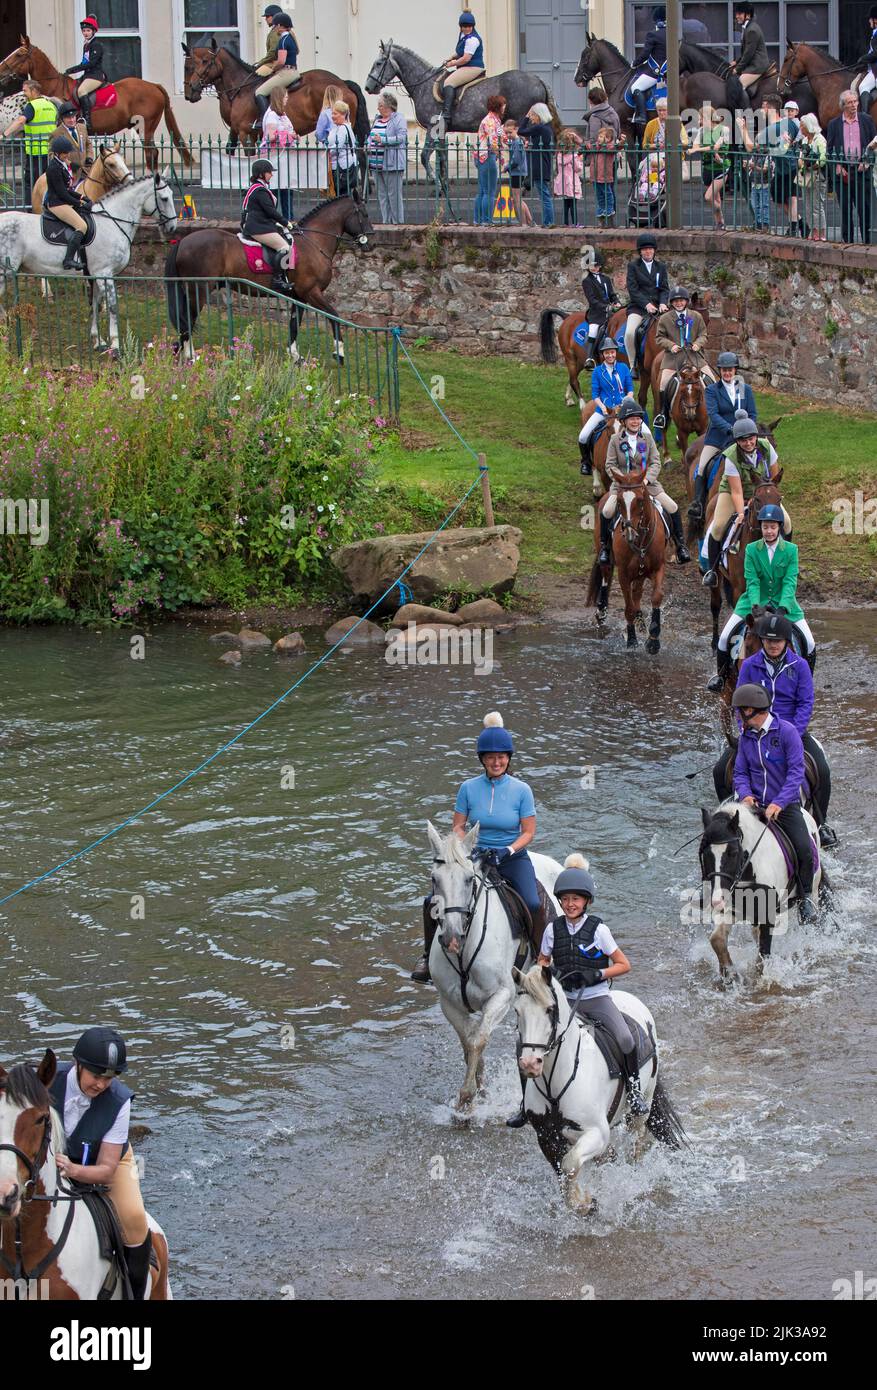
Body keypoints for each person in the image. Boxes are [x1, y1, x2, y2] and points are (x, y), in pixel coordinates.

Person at [411, 712, 549, 985]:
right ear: (482, 759)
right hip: (475, 855)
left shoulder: (522, 790)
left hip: (511, 856)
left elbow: (529, 831)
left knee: (533, 903)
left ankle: (541, 958)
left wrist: (508, 850)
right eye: (490, 757)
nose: (496, 762)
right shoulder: (468, 788)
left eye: (501, 757)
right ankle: (428, 956)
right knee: (432, 901)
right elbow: (459, 827)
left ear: (508, 758)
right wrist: (464, 847)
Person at [535, 858, 649, 1118]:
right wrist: (548, 971)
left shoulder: (599, 930)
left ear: (586, 901)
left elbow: (624, 964)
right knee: (530, 1041)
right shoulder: (552, 929)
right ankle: (525, 1104)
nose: (570, 904)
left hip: (595, 998)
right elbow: (543, 959)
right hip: (564, 999)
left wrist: (597, 973)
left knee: (625, 1038)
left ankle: (634, 1090)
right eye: (565, 899)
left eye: (576, 899)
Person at [48, 1027, 153, 1299]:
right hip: (53, 1158)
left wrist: (72, 1170)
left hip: (108, 1162)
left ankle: (135, 1293)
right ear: (78, 1065)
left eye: (110, 1078)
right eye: (96, 1076)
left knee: (134, 1218)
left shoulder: (119, 1101)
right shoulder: (46, 1080)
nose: (102, 1085)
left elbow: (106, 1169)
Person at [736, 611, 836, 845]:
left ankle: (821, 824)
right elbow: (739, 701)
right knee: (721, 770)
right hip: (755, 729)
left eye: (777, 641)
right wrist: (744, 727)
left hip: (792, 730)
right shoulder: (749, 665)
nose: (773, 645)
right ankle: (734, 816)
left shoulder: (799, 666)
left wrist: (794, 733)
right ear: (762, 640)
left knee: (822, 769)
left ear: (786, 642)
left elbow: (805, 703)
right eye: (769, 640)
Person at [731, 683, 818, 923]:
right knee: (724, 841)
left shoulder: (787, 732)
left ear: (752, 711)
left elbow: (796, 772)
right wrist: (746, 795)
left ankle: (806, 898)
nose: (739, 716)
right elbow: (740, 773)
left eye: (741, 711)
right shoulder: (746, 737)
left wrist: (779, 803)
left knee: (803, 849)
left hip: (785, 807)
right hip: (754, 806)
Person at [707, 504, 815, 692]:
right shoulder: (751, 549)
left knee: (810, 642)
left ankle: (806, 683)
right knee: (724, 638)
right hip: (752, 602)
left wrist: (783, 607)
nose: (769, 531)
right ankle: (722, 679)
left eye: (773, 527)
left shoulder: (791, 550)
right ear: (761, 528)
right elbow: (753, 580)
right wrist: (756, 604)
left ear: (779, 527)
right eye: (765, 527)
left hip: (785, 604)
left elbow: (790, 581)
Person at [599, 396, 691, 564]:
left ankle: (680, 546)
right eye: (632, 419)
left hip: (648, 485)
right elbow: (609, 464)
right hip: (622, 486)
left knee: (672, 507)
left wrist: (647, 480)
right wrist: (621, 481)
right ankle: (605, 548)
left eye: (638, 418)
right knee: (606, 511)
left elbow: (656, 462)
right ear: (624, 421)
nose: (635, 421)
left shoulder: (647, 439)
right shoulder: (615, 440)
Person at [701, 412, 787, 591]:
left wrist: (768, 496)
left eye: (751, 439)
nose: (748, 443)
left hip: (762, 491)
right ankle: (712, 571)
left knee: (786, 522)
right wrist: (741, 513)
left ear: (756, 437)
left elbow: (773, 478)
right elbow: (737, 491)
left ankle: (784, 559)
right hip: (732, 492)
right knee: (717, 528)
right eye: (743, 440)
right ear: (737, 441)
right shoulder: (731, 456)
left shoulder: (766, 447)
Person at [689, 351, 757, 520]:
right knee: (703, 466)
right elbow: (713, 414)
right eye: (724, 370)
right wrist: (732, 429)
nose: (727, 373)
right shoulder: (712, 390)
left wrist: (746, 431)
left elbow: (753, 414)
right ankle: (698, 503)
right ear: (720, 371)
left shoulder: (745, 389)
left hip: (744, 437)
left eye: (730, 370)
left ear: (735, 370)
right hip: (718, 438)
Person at [652, 286, 714, 431]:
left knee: (713, 381)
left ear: (686, 301)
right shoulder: (665, 318)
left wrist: (698, 344)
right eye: (676, 301)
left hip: (694, 356)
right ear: (672, 303)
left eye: (681, 301)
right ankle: (662, 415)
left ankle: (714, 414)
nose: (679, 303)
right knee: (663, 384)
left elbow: (703, 334)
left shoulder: (696, 316)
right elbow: (659, 337)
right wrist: (671, 345)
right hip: (673, 358)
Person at [826, 91, 876, 246]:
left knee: (865, 210)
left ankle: (868, 243)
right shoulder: (834, 124)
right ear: (843, 105)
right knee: (846, 211)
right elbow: (829, 151)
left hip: (862, 170)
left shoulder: (866, 120)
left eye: (855, 102)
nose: (854, 105)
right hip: (844, 173)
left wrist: (867, 161)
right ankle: (847, 242)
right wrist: (837, 165)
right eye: (850, 103)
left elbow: (874, 144)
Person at [578, 336, 632, 474]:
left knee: (646, 433)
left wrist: (627, 400)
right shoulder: (597, 371)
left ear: (615, 352)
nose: (610, 355)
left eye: (612, 352)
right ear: (603, 355)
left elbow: (630, 389)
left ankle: (645, 462)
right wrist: (602, 407)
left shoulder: (624, 368)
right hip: (604, 410)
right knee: (583, 436)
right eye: (607, 353)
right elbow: (595, 394)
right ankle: (586, 463)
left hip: (623, 410)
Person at [240, 158, 293, 293]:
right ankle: (277, 280)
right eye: (269, 172)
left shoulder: (257, 188)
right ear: (261, 174)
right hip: (258, 227)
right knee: (285, 248)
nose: (272, 174)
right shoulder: (260, 191)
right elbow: (271, 211)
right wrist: (286, 222)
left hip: (260, 223)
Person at [2, 79, 57, 208]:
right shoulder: (51, 105)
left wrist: (5, 134)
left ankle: (30, 208)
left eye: (25, 91)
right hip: (50, 152)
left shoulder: (32, 106)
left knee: (30, 183)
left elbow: (21, 121)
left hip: (36, 152)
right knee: (49, 182)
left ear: (33, 91)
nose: (24, 94)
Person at [624, 230, 669, 378]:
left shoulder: (661, 267)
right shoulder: (633, 266)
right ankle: (633, 365)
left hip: (658, 308)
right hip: (638, 308)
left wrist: (663, 303)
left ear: (654, 250)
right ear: (640, 251)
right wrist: (646, 304)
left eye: (650, 249)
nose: (648, 251)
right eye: (645, 249)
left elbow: (664, 288)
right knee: (630, 333)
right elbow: (633, 289)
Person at [44, 135, 91, 271]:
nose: (67, 155)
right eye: (65, 153)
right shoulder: (53, 168)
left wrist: (83, 197)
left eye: (67, 152)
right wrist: (79, 203)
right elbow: (62, 193)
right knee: (81, 226)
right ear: (57, 153)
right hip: (56, 203)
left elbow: (68, 189)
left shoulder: (62, 165)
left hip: (62, 200)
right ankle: (68, 260)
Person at [436, 12, 486, 139]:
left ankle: (446, 116)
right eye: (464, 26)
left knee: (448, 82)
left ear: (472, 26)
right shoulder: (463, 35)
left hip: (473, 67)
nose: (467, 29)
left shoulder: (473, 39)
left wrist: (452, 63)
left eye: (469, 26)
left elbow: (465, 58)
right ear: (461, 27)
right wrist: (449, 58)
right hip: (465, 65)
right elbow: (459, 52)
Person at [367, 91, 407, 225]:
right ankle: (386, 222)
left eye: (381, 105)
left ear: (389, 106)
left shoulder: (398, 118)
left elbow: (401, 138)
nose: (378, 108)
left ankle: (397, 223)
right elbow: (371, 136)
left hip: (392, 164)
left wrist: (383, 140)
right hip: (376, 164)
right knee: (382, 196)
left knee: (394, 196)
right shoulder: (377, 119)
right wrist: (368, 144)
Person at [253, 12, 300, 124]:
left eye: (275, 25)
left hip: (287, 72)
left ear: (279, 25)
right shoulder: (290, 37)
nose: (274, 28)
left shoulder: (283, 40)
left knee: (259, 92)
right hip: (292, 71)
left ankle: (264, 120)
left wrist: (273, 67)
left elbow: (281, 61)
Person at [586, 86, 621, 227]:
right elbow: (617, 133)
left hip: (599, 158)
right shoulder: (613, 113)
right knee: (610, 189)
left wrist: (587, 145)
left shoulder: (595, 116)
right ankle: (611, 217)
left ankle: (604, 218)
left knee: (602, 190)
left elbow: (593, 139)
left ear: (591, 100)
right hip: (612, 157)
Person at [260, 88, 299, 220]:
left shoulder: (282, 115)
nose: (287, 99)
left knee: (286, 189)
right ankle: (273, 219)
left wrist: (293, 136)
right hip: (275, 157)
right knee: (276, 190)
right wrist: (289, 135)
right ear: (279, 98)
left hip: (283, 157)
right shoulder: (271, 115)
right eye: (285, 97)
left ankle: (289, 218)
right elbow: (271, 136)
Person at [580, 249, 622, 368]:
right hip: (596, 313)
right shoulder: (587, 281)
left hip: (610, 312)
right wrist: (606, 307)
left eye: (597, 265)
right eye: (592, 265)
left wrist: (616, 302)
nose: (594, 268)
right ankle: (590, 357)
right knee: (593, 331)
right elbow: (592, 300)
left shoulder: (605, 279)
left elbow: (612, 294)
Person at [64, 15, 107, 130]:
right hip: (88, 75)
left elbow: (91, 64)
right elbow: (84, 62)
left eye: (88, 30)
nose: (85, 33)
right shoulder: (87, 44)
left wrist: (72, 70)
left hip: (96, 75)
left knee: (82, 91)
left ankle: (87, 121)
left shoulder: (96, 45)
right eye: (84, 31)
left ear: (93, 31)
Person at [692, 104, 731, 231]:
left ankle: (719, 210)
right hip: (707, 168)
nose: (699, 121)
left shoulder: (724, 129)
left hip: (720, 168)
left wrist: (707, 148)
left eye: (700, 118)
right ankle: (720, 223)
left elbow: (715, 147)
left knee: (708, 197)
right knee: (715, 198)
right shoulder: (702, 131)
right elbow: (695, 145)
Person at [629, 6, 668, 132]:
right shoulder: (673, 34)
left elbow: (645, 53)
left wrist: (635, 63)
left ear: (656, 21)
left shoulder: (653, 34)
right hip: (670, 71)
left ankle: (641, 116)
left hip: (656, 72)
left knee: (635, 88)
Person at [518, 104, 555, 227]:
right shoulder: (546, 128)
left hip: (539, 166)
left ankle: (548, 222)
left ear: (539, 115)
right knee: (544, 195)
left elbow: (521, 131)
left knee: (544, 196)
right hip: (543, 164)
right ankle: (548, 222)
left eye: (533, 115)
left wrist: (526, 117)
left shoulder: (539, 127)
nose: (532, 118)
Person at [472, 93, 506, 225]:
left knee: (481, 191)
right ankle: (487, 220)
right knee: (489, 192)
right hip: (487, 157)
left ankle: (478, 219)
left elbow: (501, 137)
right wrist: (501, 157)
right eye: (503, 105)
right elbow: (493, 142)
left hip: (481, 157)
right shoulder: (491, 121)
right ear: (498, 107)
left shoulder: (493, 120)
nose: (505, 108)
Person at [796, 113, 828, 241]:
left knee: (816, 206)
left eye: (802, 126)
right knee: (807, 205)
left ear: (809, 126)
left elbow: (823, 158)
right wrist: (802, 163)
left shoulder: (819, 139)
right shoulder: (804, 140)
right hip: (806, 176)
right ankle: (812, 231)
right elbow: (800, 157)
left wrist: (811, 165)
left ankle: (821, 232)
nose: (801, 128)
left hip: (817, 175)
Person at [730, 4, 770, 98]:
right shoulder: (748, 27)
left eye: (739, 14)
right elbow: (746, 51)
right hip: (752, 63)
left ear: (747, 15)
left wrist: (737, 69)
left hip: (757, 66)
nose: (736, 16)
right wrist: (736, 61)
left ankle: (745, 111)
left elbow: (748, 54)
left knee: (737, 87)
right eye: (736, 14)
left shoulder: (752, 30)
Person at [326, 100, 358, 199]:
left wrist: (325, 152)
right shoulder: (338, 127)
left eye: (335, 113)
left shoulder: (343, 128)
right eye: (332, 113)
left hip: (342, 169)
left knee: (342, 196)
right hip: (339, 166)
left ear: (343, 114)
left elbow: (337, 148)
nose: (332, 116)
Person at [503, 118, 532, 225]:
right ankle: (530, 221)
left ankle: (523, 223)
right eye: (506, 133)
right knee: (518, 199)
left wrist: (506, 167)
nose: (508, 135)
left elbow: (516, 161)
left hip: (517, 172)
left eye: (510, 132)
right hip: (518, 172)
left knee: (517, 199)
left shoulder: (517, 142)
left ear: (516, 129)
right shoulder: (517, 141)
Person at [553, 127, 584, 226]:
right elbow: (578, 168)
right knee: (573, 204)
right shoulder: (574, 156)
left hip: (563, 181)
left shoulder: (559, 155)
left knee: (566, 204)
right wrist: (580, 159)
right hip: (572, 182)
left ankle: (565, 223)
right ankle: (575, 223)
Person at [853, 7, 877, 108]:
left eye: (870, 19)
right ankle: (866, 115)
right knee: (862, 84)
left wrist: (863, 58)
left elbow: (876, 53)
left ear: (875, 20)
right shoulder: (874, 33)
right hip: (873, 68)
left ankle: (865, 116)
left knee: (863, 86)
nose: (869, 21)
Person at [254, 6, 283, 79]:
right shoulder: (276, 30)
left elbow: (273, 53)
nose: (265, 19)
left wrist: (260, 63)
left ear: (275, 17)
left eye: (267, 16)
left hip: (276, 64)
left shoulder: (276, 32)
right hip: (274, 62)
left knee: (255, 75)